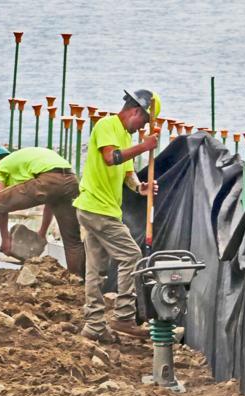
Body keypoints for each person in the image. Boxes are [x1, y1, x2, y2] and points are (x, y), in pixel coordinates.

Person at [73, 89, 161, 341]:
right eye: (144, 121)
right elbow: (111, 158)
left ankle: (94, 325)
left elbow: (126, 172)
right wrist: (144, 146)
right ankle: (124, 317)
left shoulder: (123, 134)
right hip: (97, 208)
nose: (143, 127)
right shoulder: (107, 125)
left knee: (96, 269)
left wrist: (139, 187)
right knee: (132, 256)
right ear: (136, 111)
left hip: (98, 209)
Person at [0, 146, 84, 281]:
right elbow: (51, 199)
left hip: (48, 179)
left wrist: (6, 239)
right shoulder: (21, 161)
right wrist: (42, 233)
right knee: (72, 241)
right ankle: (78, 279)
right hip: (70, 180)